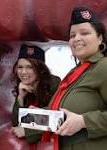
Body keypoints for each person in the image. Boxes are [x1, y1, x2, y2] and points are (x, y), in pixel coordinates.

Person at [42, 6, 107, 150]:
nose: (77, 38)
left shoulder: (104, 67)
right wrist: (39, 115)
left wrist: (84, 121)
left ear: (100, 38)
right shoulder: (75, 73)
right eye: (72, 35)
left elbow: (80, 118)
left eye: (84, 33)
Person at [11, 44, 61, 145]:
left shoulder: (54, 84)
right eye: (20, 67)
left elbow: (58, 118)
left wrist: (27, 130)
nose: (23, 72)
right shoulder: (24, 86)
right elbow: (16, 123)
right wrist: (20, 97)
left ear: (41, 69)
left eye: (30, 67)